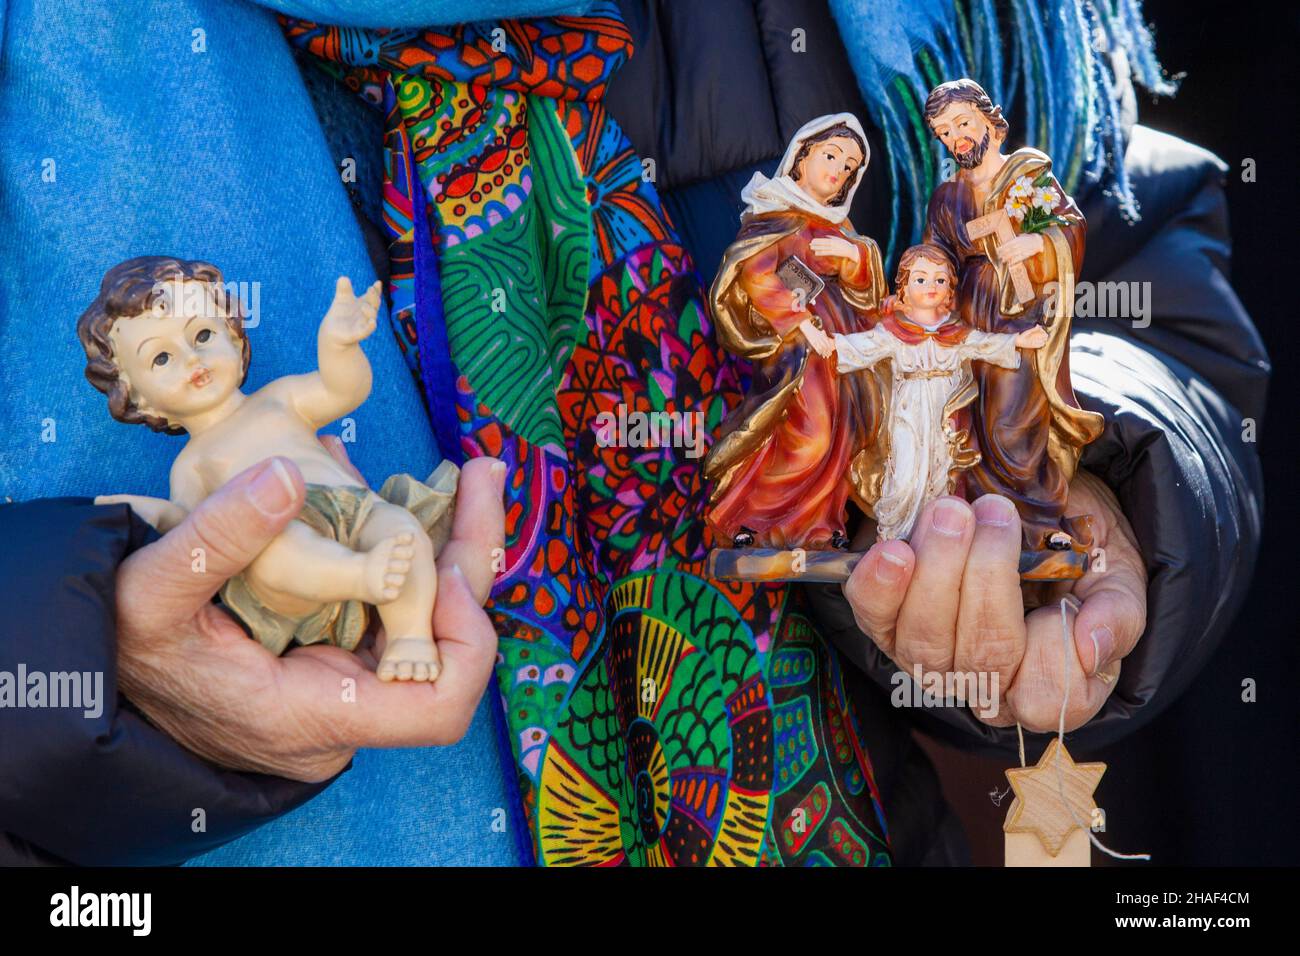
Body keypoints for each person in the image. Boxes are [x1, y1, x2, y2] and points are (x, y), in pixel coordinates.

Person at [704, 113, 886, 551]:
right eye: (831, 155)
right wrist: (803, 323)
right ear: (800, 157)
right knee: (809, 432)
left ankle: (819, 525)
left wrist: (854, 255)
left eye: (849, 167)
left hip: (844, 351)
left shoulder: (840, 227)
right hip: (798, 351)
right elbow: (757, 272)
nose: (838, 170)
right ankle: (753, 520)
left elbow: (868, 291)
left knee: (843, 437)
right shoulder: (773, 212)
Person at [834, 243, 1048, 543]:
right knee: (905, 472)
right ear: (904, 287)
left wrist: (1019, 341)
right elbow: (863, 346)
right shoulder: (893, 330)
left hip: (947, 412)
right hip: (908, 409)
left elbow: (983, 343)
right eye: (920, 279)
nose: (931, 286)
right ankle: (896, 532)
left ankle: (936, 535)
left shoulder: (954, 331)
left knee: (941, 470)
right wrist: (830, 344)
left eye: (940, 279)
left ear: (950, 288)